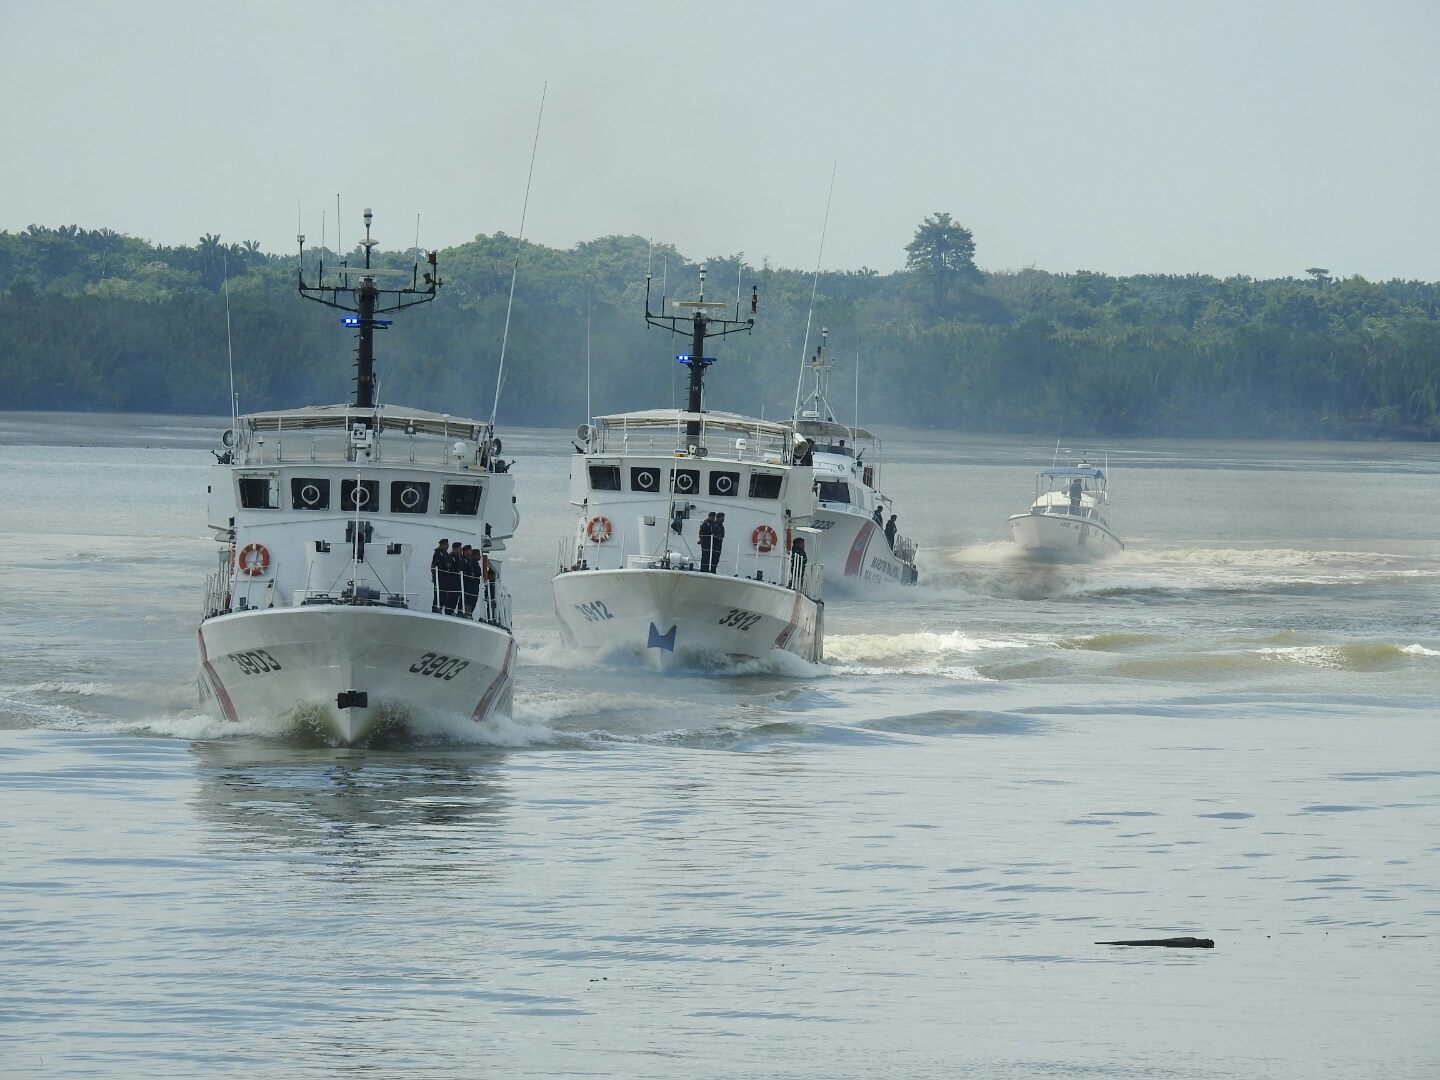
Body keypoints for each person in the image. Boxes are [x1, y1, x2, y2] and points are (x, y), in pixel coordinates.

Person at [461, 544, 481, 618]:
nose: (479, 556)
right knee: (469, 599)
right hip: (471, 584)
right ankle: (467, 612)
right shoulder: (470, 561)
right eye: (478, 554)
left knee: (473, 600)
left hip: (474, 584)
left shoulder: (473, 562)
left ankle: (469, 613)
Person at [431, 538, 449, 612]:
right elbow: (434, 565)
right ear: (442, 545)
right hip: (439, 576)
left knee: (444, 594)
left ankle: (440, 607)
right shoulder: (438, 553)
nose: (447, 546)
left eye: (447, 545)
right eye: (446, 545)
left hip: (445, 577)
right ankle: (436, 607)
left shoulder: (446, 553)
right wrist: (434, 576)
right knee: (438, 593)